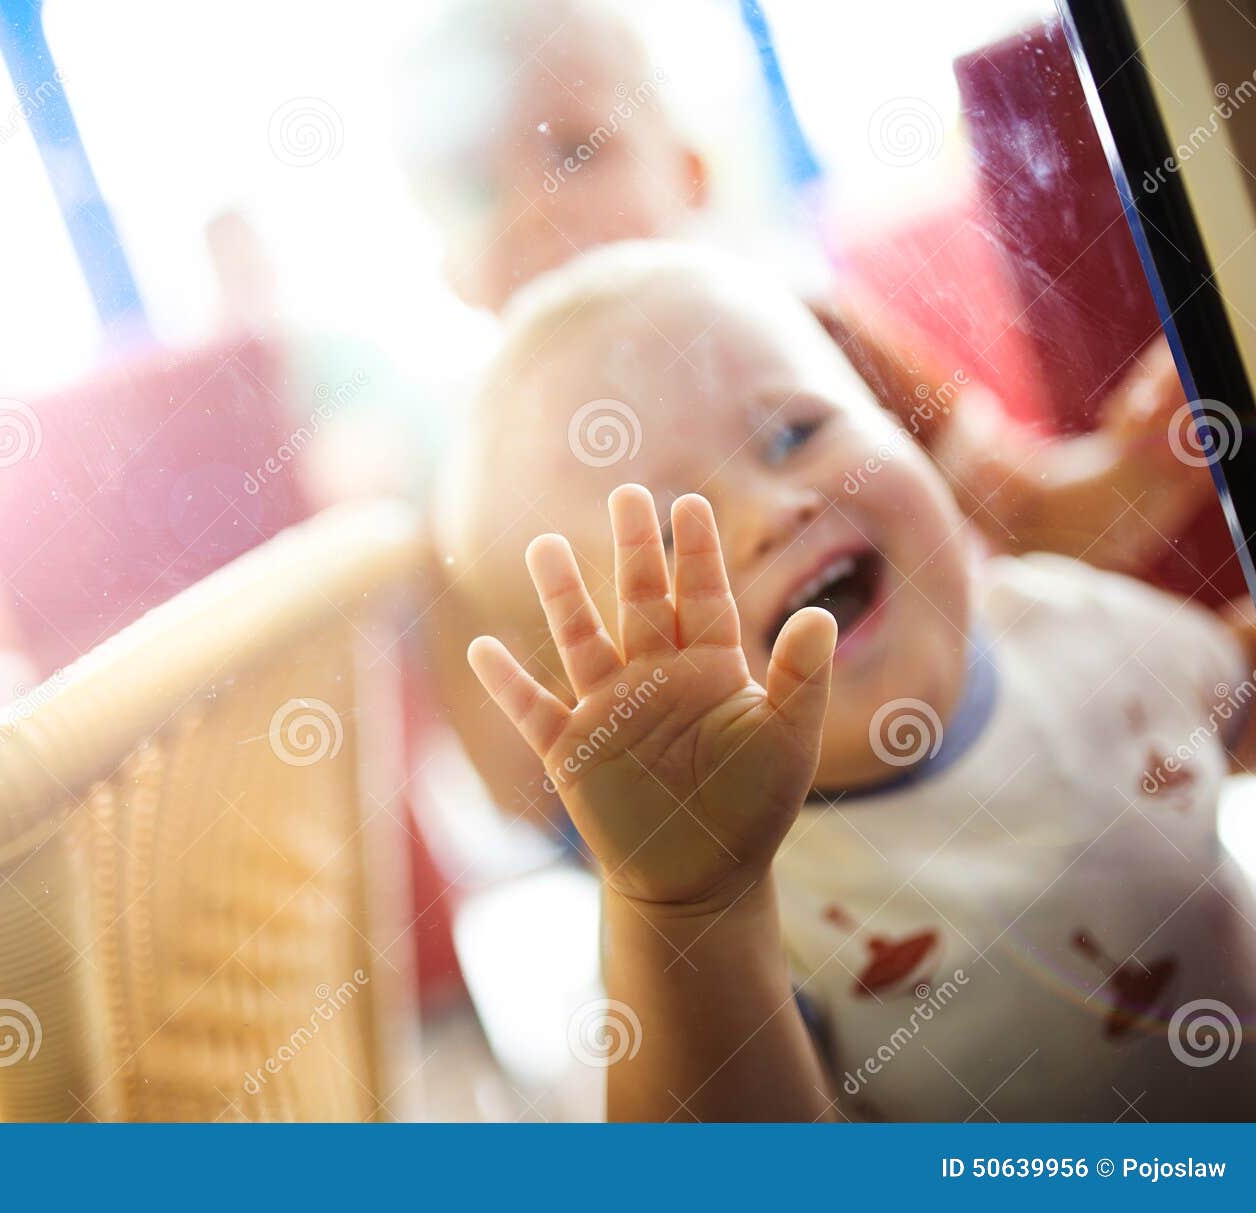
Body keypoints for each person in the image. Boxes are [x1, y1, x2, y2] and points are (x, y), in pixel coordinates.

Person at [443, 241, 1256, 1120]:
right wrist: (691, 912)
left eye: (796, 433)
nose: (772, 511)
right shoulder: (715, 914)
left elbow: (1232, 707)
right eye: (675, 538)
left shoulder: (1063, 621)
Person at [395, 0, 1214, 584]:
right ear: (450, 273)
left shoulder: (812, 328)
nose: (533, 210)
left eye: (576, 152)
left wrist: (1144, 466)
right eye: (475, 190)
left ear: (691, 173)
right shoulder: (497, 479)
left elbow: (1034, 519)